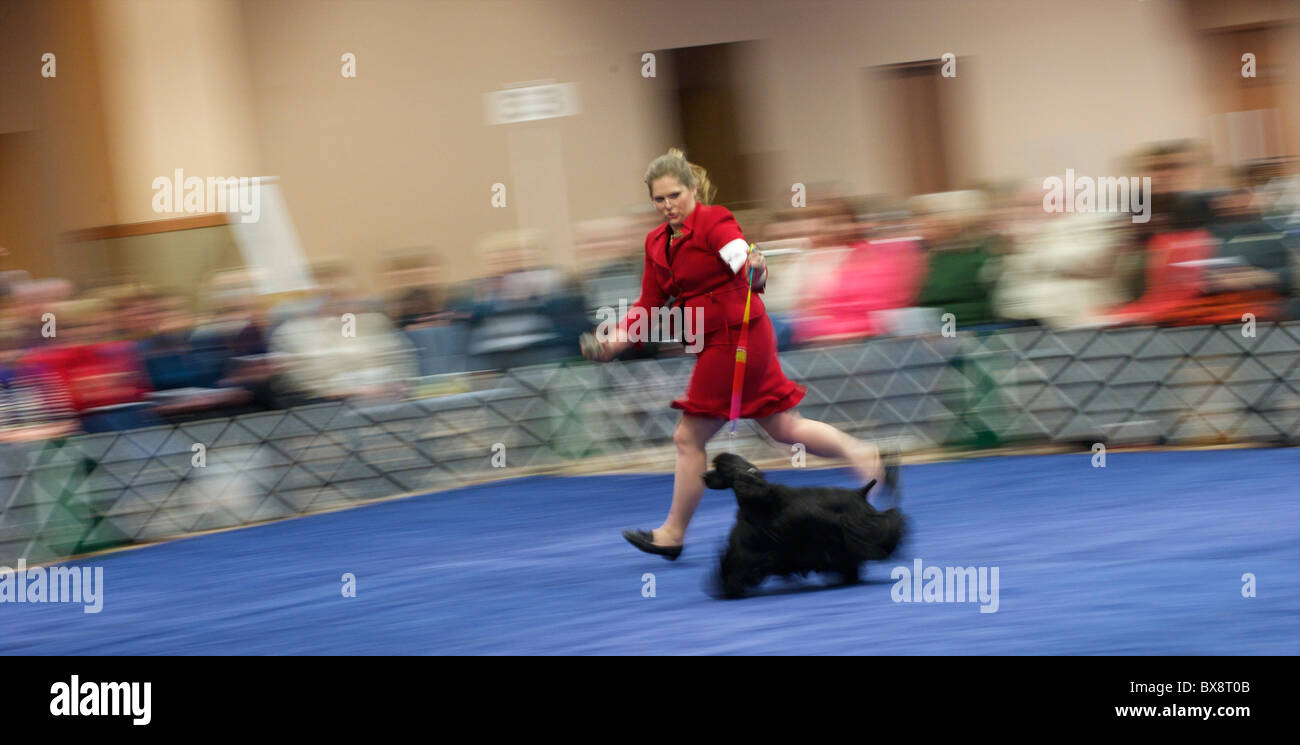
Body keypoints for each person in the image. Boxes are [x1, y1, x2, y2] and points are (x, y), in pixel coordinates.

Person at [583, 148, 896, 559]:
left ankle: (673, 534)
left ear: (693, 189)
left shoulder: (715, 221)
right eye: (659, 200)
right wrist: (615, 341)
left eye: (674, 195)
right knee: (784, 428)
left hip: (739, 338)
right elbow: (649, 304)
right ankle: (868, 456)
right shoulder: (656, 242)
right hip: (713, 341)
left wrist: (757, 267)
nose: (667, 206)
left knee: (687, 437)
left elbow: (742, 261)